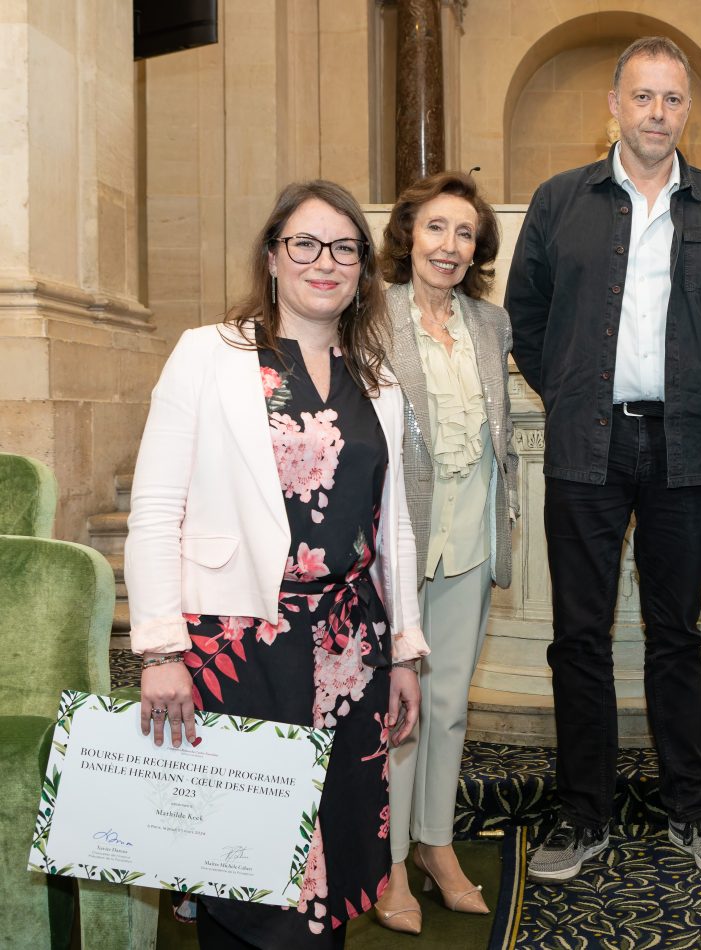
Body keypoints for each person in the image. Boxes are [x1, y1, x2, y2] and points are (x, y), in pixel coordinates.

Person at [126, 180, 427, 948]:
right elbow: (157, 508)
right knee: (245, 866)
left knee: (332, 861)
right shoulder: (209, 354)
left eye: (345, 248)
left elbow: (390, 529)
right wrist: (161, 649)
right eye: (305, 244)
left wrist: (403, 652)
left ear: (362, 268)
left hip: (348, 650)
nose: (324, 262)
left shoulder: (379, 382)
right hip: (239, 642)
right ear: (271, 256)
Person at [505, 35, 701, 883]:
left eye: (672, 99)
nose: (657, 113)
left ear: (689, 111)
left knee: (675, 634)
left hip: (685, 445)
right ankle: (582, 815)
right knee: (578, 638)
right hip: (586, 444)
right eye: (642, 97)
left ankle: (691, 803)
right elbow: (526, 317)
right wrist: (573, 393)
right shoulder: (558, 199)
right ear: (612, 106)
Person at [373, 171, 518, 933]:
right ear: (409, 236)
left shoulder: (490, 325)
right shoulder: (372, 315)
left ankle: (437, 843)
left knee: (450, 703)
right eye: (436, 228)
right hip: (398, 541)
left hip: (471, 533)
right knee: (400, 706)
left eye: (464, 234)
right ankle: (390, 860)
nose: (450, 246)